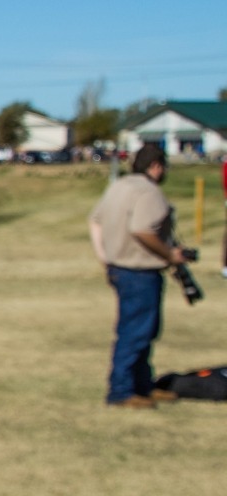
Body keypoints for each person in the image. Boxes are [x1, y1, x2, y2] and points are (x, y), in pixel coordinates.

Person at [89, 144, 194, 409]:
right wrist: (170, 254)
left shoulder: (119, 186)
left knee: (142, 331)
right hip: (140, 271)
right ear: (156, 166)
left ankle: (143, 385)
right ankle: (121, 391)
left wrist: (105, 258)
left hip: (119, 268)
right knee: (135, 332)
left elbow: (95, 221)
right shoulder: (148, 192)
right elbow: (142, 229)